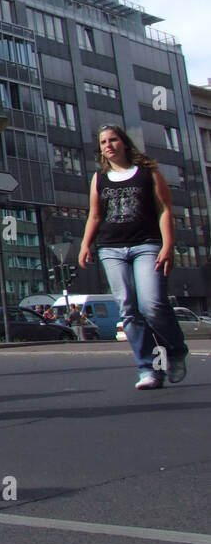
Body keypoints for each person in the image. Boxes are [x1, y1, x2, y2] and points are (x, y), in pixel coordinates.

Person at [80, 124, 188, 390]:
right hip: (111, 248)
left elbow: (164, 209)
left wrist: (168, 244)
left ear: (124, 143)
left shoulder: (147, 173)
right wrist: (85, 245)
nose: (108, 145)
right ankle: (148, 369)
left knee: (152, 305)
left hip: (147, 245)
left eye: (113, 140)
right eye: (103, 142)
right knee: (128, 309)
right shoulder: (99, 178)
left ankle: (175, 351)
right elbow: (94, 215)